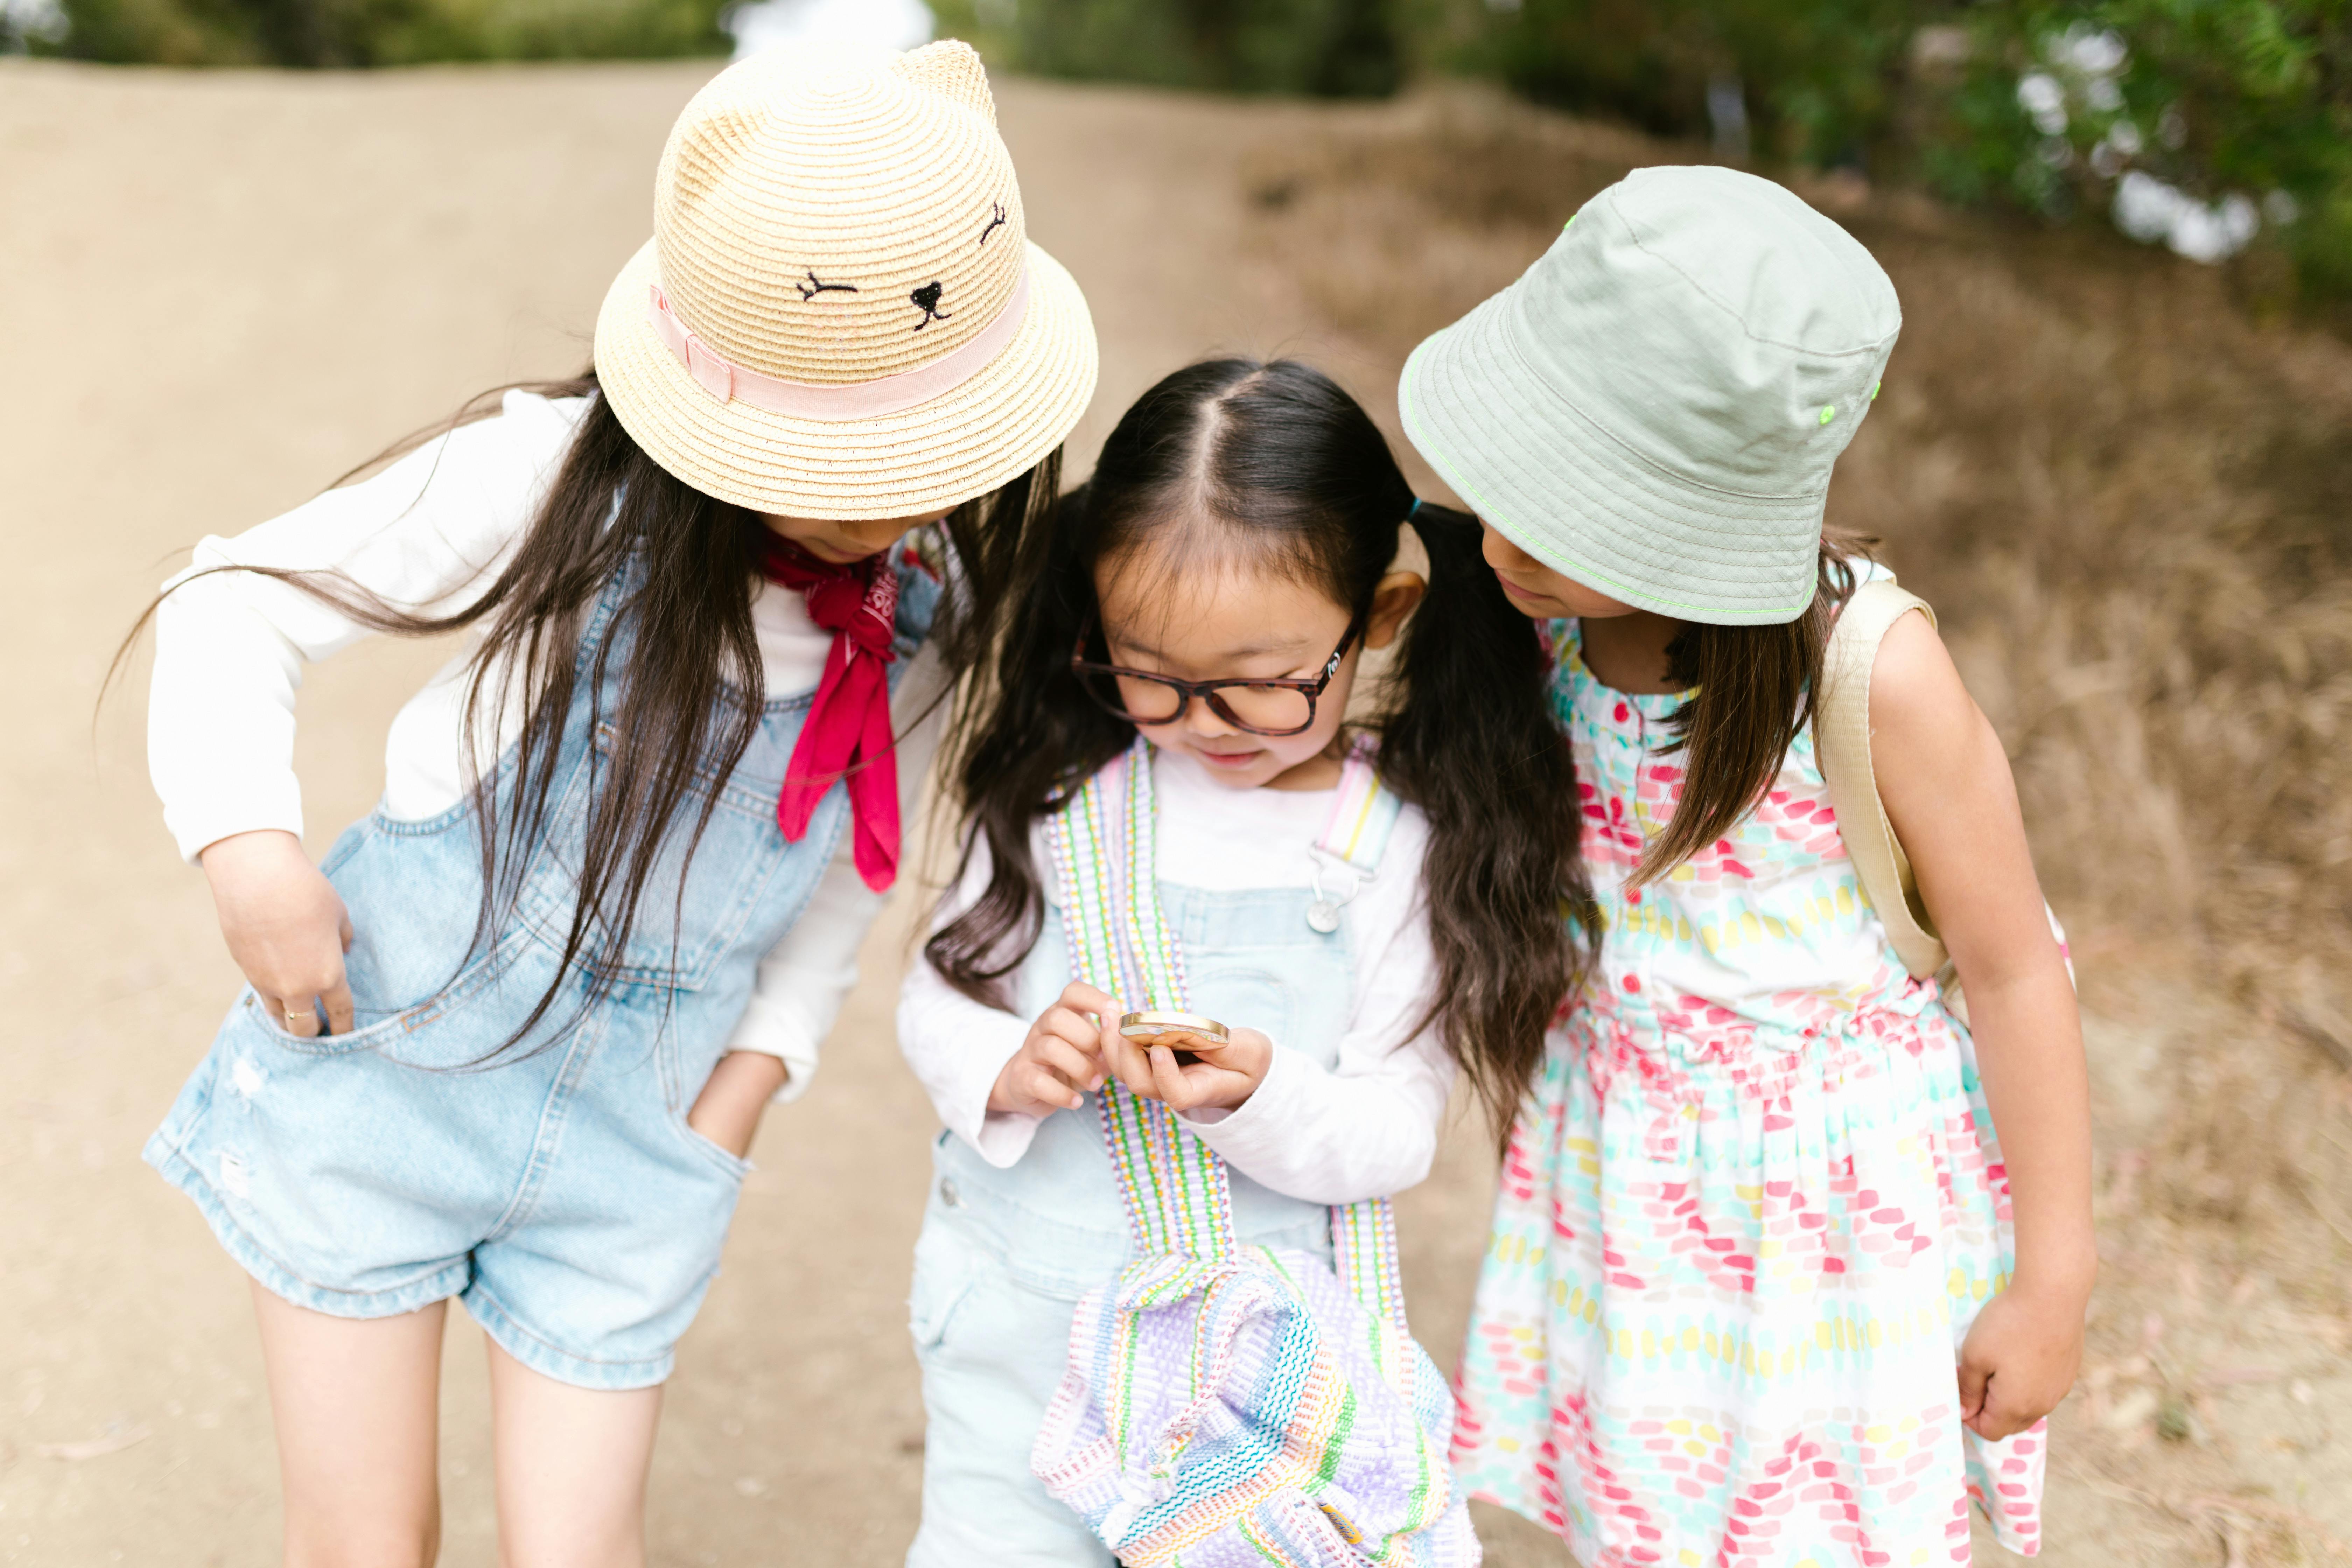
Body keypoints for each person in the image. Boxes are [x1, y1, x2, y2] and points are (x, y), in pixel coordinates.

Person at [132, 42, 1096, 1568]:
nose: (900, 496)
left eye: (931, 454)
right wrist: (248, 849)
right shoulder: (552, 482)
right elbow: (230, 601)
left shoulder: (919, 605)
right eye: (851, 457)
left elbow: (856, 861)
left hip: (644, 1145)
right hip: (388, 1073)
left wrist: (748, 1082)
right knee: (366, 1541)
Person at [1401, 166, 2091, 1563]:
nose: (1508, 538)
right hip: (1630, 1181)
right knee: (1645, 1518)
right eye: (1508, 483)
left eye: (1574, 509)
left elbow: (2016, 966)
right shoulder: (1518, 620)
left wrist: (2055, 1279)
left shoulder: (1870, 674)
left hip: (1838, 1212)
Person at [895, 358, 1589, 1565]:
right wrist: (1009, 1060)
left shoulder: (1395, 854)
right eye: (1151, 678)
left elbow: (1395, 1129)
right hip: (1021, 1349)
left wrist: (1266, 1093)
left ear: (1376, 620)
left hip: (1258, 1399)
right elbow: (935, 993)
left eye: (1261, 689)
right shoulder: (1060, 810)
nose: (1204, 726)